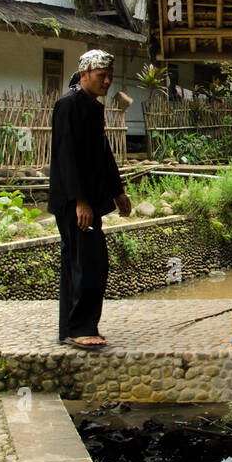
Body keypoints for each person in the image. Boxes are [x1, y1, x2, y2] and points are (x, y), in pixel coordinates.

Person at [49, 50, 132, 349]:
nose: (107, 81)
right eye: (101, 76)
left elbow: (102, 153)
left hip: (88, 200)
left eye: (110, 75)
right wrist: (79, 201)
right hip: (73, 202)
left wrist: (117, 190)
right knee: (86, 261)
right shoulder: (67, 106)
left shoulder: (93, 108)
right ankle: (78, 328)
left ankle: (75, 326)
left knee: (88, 261)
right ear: (84, 74)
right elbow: (66, 157)